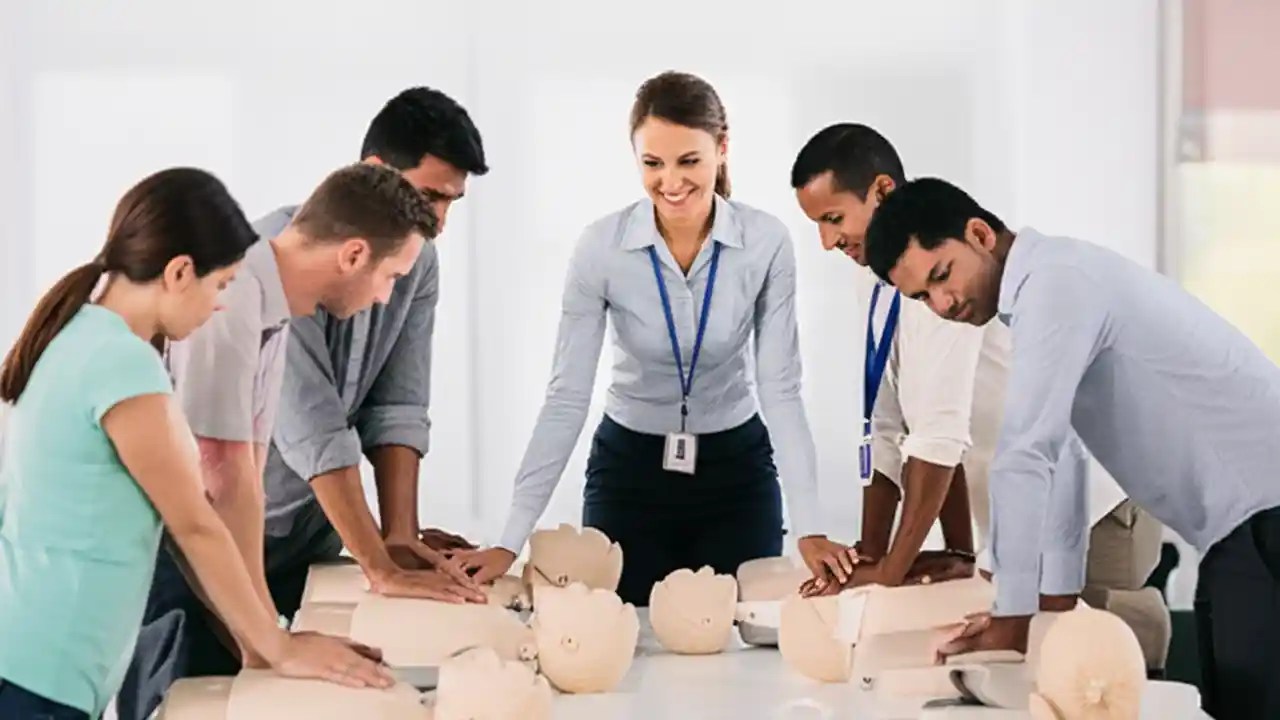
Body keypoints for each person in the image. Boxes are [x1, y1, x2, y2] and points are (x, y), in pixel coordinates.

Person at [865, 177, 1280, 719]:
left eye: (942, 275)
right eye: (922, 296)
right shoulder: (1048, 287)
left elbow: (1026, 453)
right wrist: (1051, 603)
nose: (942, 304)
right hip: (1239, 530)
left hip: (1263, 520)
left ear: (979, 234)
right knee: (1231, 696)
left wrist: (1013, 615)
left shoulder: (1056, 284)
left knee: (1249, 701)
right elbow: (1064, 454)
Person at [0, 168, 392, 720]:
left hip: (35, 655)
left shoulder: (78, 337)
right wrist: (277, 647)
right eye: (222, 285)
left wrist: (266, 641)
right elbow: (196, 523)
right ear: (180, 272)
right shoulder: (122, 364)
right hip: (46, 670)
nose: (218, 306)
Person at [452, 70, 850, 607]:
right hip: (629, 475)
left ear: (722, 150)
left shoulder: (764, 244)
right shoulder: (601, 248)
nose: (671, 181)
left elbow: (780, 389)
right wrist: (509, 539)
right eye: (652, 163)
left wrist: (810, 526)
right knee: (620, 642)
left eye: (690, 160)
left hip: (736, 474)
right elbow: (566, 397)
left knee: (739, 642)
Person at [789, 126, 1171, 672]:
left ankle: (1154, 645)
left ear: (880, 191)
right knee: (1027, 658)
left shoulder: (938, 265)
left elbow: (939, 433)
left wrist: (892, 571)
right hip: (1020, 505)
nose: (828, 242)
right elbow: (892, 420)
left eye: (833, 219)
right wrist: (870, 557)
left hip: (1094, 501)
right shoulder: (874, 280)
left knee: (1089, 664)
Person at [117, 162, 478, 720]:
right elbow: (212, 490)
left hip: (211, 554)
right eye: (390, 278)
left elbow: (243, 490)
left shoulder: (274, 309)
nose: (386, 300)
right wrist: (268, 646)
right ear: (353, 255)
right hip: (171, 569)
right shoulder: (231, 299)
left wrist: (270, 643)